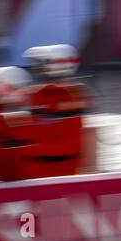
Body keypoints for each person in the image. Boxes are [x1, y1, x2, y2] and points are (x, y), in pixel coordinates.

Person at [16, 45, 88, 179]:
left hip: (43, 169)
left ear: (54, 66)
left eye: (41, 65)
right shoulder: (78, 92)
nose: (37, 70)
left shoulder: (38, 95)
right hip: (71, 166)